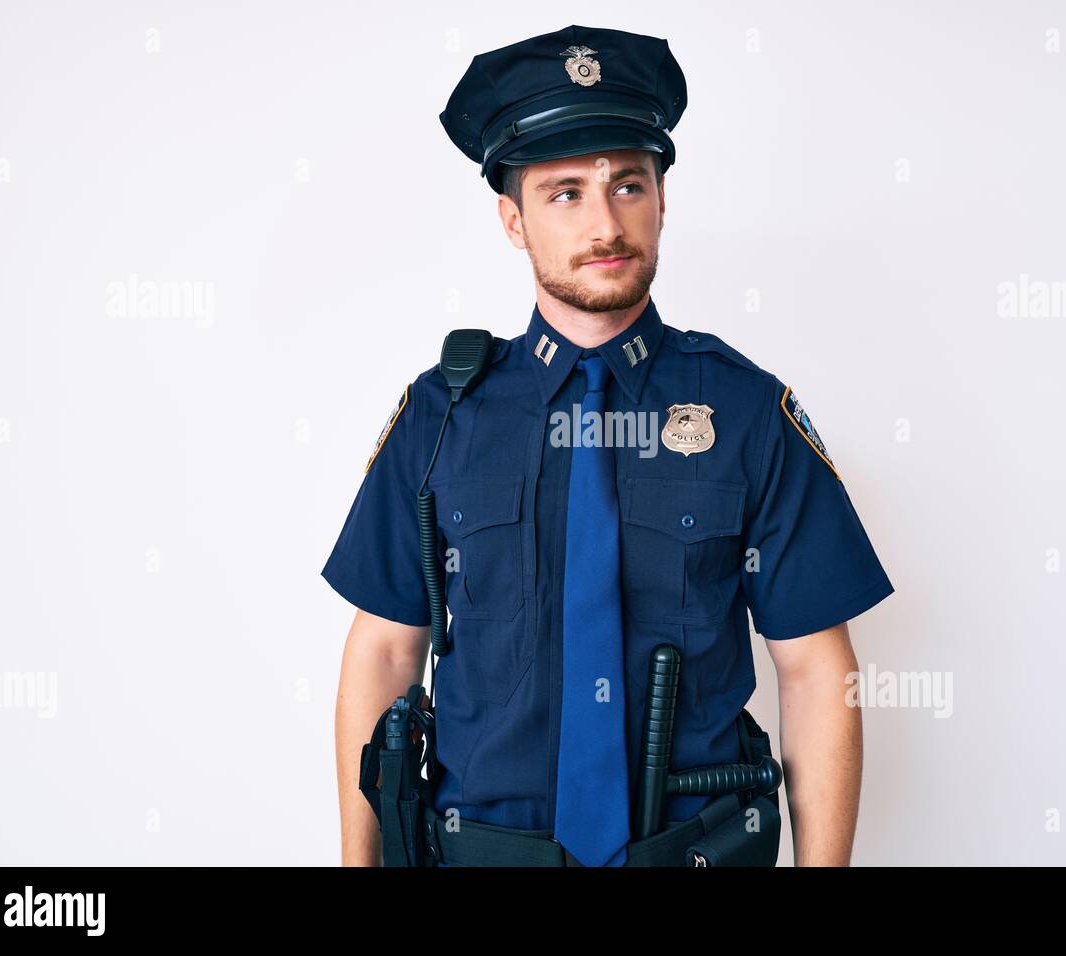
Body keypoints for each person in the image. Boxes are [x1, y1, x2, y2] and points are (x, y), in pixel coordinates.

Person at [322, 24, 894, 867]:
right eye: (564, 193)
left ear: (662, 198)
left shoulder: (744, 410)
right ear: (513, 221)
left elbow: (814, 670)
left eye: (628, 184)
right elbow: (384, 649)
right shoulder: (440, 415)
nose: (605, 222)